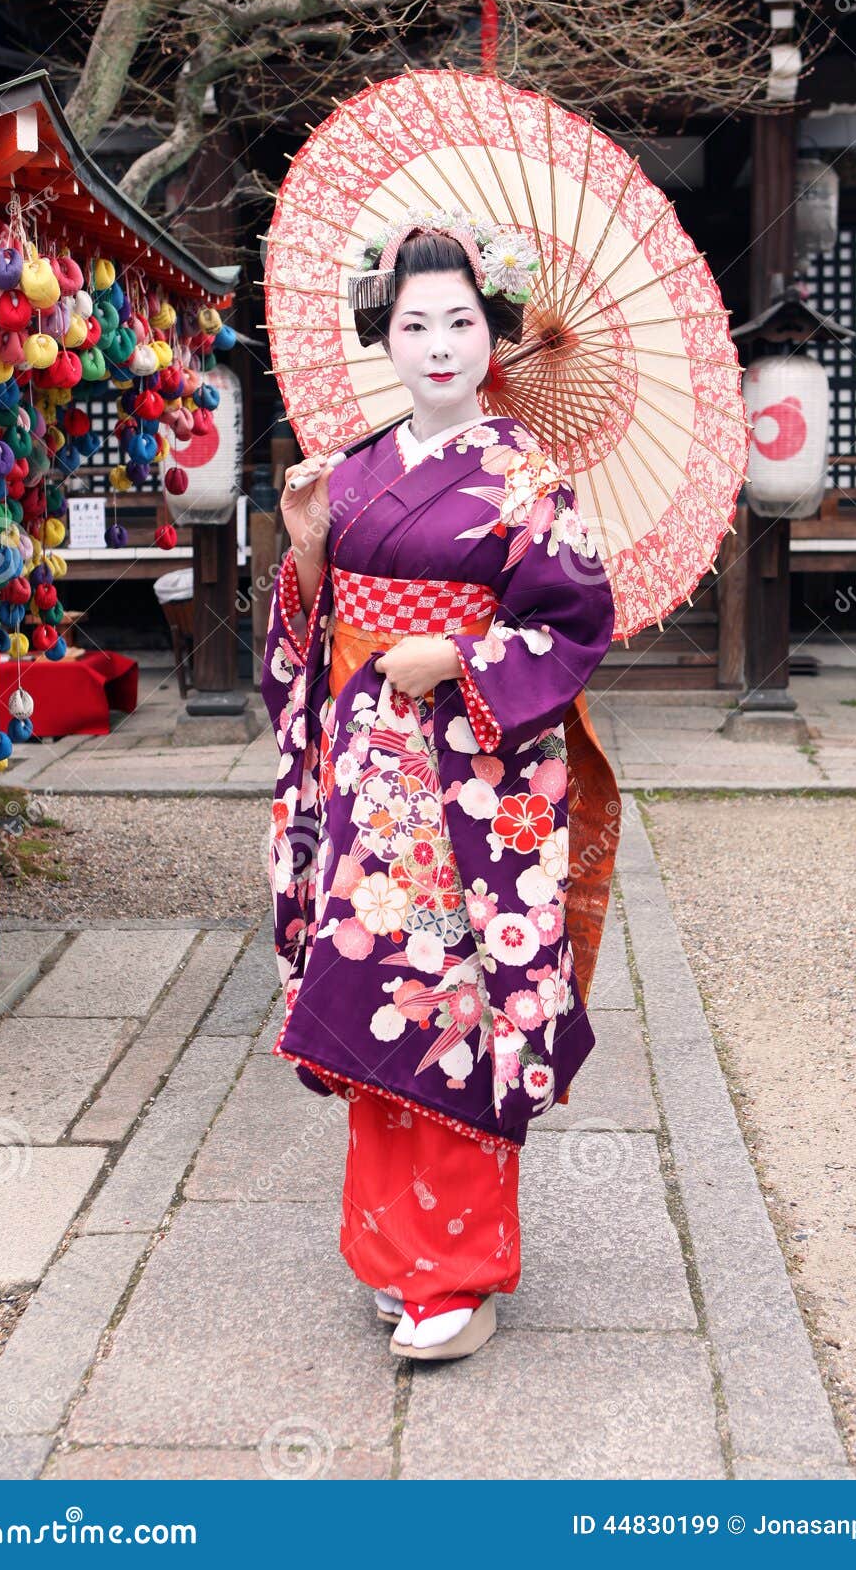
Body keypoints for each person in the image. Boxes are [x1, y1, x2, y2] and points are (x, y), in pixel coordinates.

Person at [260, 208, 620, 1362]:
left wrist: (460, 660)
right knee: (375, 989)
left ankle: (457, 1270)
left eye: (460, 319)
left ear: (492, 334)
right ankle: (389, 1256)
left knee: (455, 1000)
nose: (438, 343)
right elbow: (305, 638)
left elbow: (574, 620)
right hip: (367, 772)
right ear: (385, 334)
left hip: (470, 787)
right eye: (414, 322)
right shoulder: (353, 469)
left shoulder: (529, 478)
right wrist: (307, 551)